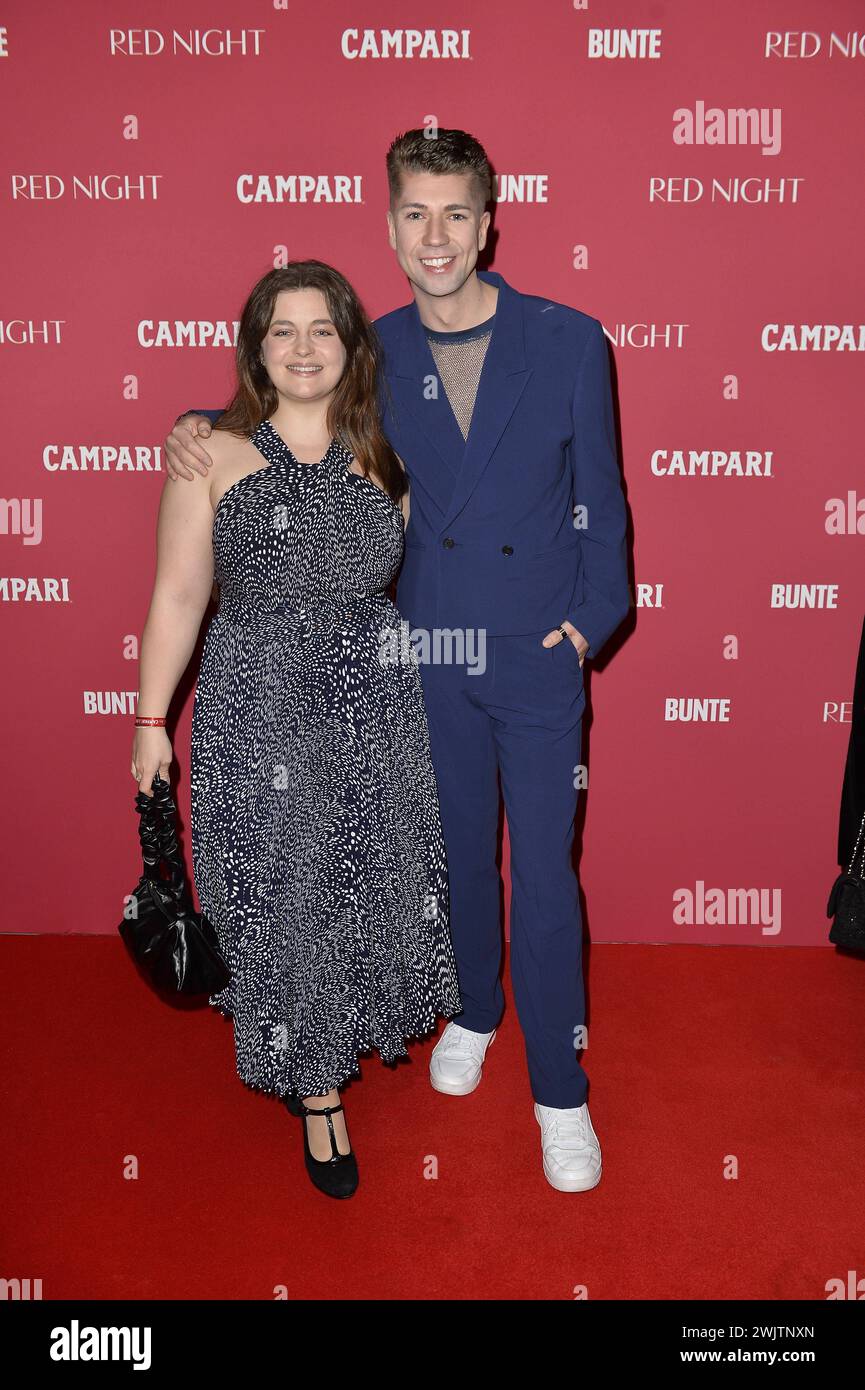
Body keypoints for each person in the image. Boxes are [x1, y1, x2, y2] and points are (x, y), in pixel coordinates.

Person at [164, 128, 630, 1193]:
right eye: (414, 214)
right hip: (419, 652)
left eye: (455, 213)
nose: (436, 236)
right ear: (388, 224)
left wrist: (587, 621)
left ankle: (561, 1088)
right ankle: (475, 1008)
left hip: (532, 649)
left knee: (545, 873)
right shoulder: (369, 350)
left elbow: (604, 502)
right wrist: (188, 427)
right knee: (457, 858)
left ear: (487, 222)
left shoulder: (568, 340)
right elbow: (274, 426)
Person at [132, 260, 462, 1200]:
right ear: (256, 348)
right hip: (256, 707)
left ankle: (340, 1023)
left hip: (375, 709)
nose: (305, 347)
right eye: (284, 329)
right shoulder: (212, 452)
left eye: (324, 329)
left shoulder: (389, 450)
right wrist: (151, 719)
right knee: (281, 888)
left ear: (353, 346)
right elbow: (178, 594)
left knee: (360, 885)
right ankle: (317, 1090)